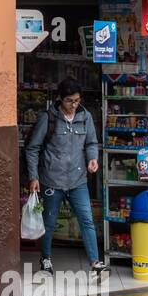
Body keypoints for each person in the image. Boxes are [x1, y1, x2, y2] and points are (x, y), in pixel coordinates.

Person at [24, 78, 105, 274]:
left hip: (78, 180)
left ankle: (95, 263)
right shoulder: (49, 118)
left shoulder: (85, 117)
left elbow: (91, 143)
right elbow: (32, 148)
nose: (73, 105)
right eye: (69, 101)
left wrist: (92, 158)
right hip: (52, 179)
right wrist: (34, 177)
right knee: (49, 222)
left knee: (86, 220)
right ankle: (46, 259)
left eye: (77, 101)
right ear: (60, 99)